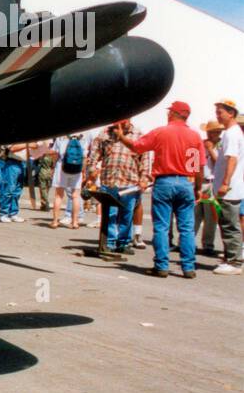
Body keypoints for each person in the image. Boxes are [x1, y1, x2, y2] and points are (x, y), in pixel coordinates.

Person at [118, 100, 205, 278]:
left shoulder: (161, 132)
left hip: (165, 182)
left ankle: (162, 266)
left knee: (162, 227)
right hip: (185, 182)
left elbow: (137, 147)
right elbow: (199, 167)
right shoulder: (195, 136)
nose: (167, 114)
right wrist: (197, 188)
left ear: (173, 113)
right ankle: (188, 268)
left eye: (169, 112)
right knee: (187, 228)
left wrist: (121, 137)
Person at [85, 120, 151, 254]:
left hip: (130, 182)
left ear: (130, 120)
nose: (120, 125)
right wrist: (92, 170)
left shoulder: (139, 134)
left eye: (123, 122)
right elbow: (94, 155)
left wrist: (144, 178)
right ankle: (109, 242)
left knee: (127, 215)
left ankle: (123, 243)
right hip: (109, 181)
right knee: (110, 214)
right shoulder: (105, 133)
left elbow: (145, 158)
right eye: (117, 122)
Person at [210, 99, 242, 275]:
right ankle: (232, 257)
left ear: (231, 113)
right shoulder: (232, 133)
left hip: (229, 188)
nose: (218, 115)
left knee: (230, 224)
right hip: (229, 187)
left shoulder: (231, 134)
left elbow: (232, 159)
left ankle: (234, 262)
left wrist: (225, 183)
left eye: (220, 112)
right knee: (227, 223)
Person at [196, 121, 223, 257]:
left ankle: (208, 244)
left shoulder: (222, 145)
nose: (208, 134)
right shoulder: (201, 143)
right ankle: (186, 242)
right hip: (200, 181)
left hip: (211, 182)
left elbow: (220, 164)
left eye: (211, 131)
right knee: (195, 214)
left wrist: (211, 149)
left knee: (210, 216)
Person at [0, 142, 28, 222]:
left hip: (22, 163)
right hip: (12, 162)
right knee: (8, 189)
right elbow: (12, 148)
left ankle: (13, 213)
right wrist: (28, 145)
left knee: (17, 191)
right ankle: (3, 213)